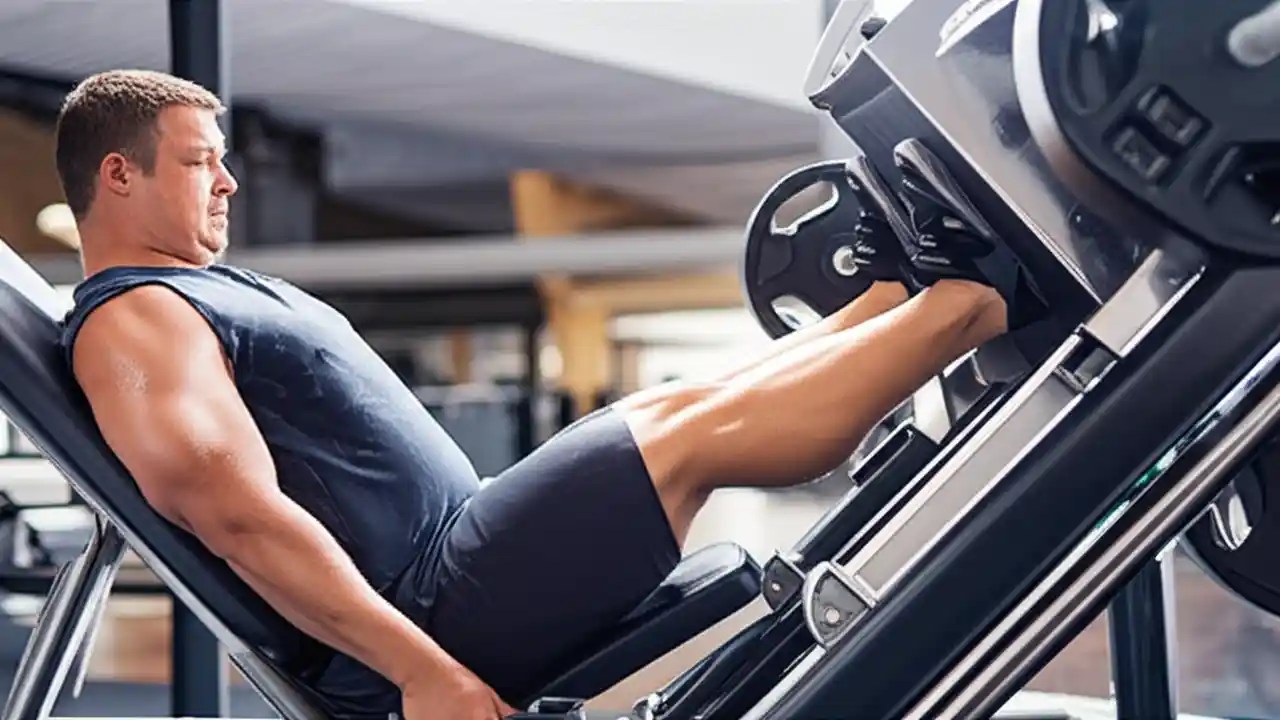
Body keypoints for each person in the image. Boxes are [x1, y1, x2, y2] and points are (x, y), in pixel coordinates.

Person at [54, 70, 1018, 720]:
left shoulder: (185, 293)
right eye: (197, 162)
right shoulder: (129, 321)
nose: (226, 181)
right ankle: (981, 301)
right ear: (118, 175)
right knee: (681, 437)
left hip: (455, 557)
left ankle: (909, 296)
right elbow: (238, 517)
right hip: (432, 606)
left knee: (677, 410)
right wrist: (424, 674)